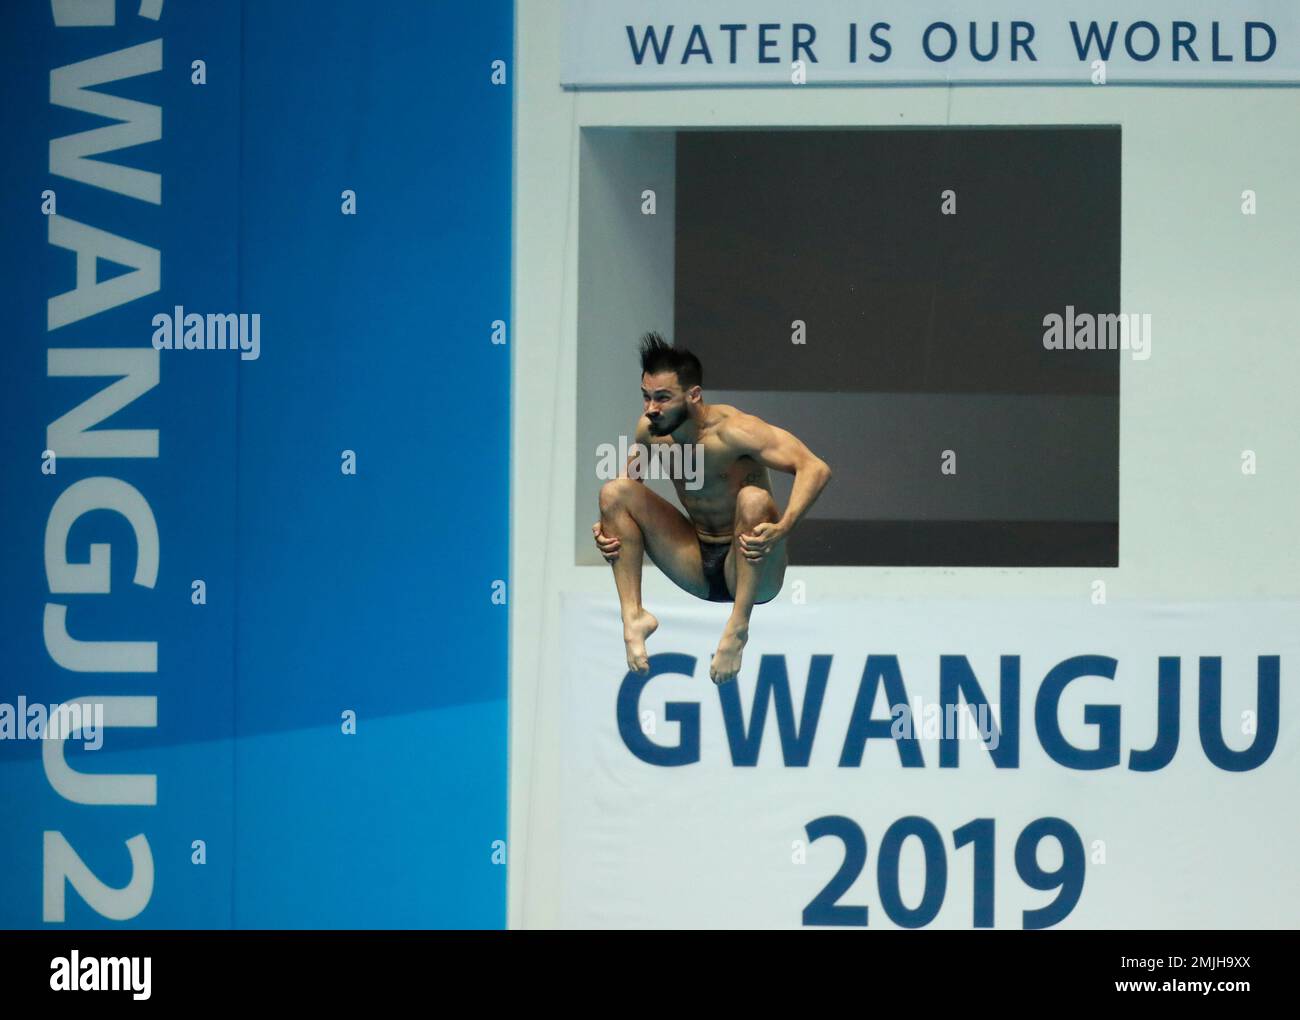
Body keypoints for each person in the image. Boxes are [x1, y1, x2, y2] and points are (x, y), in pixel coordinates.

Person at [593, 332, 833, 684]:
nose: (651, 409)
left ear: (693, 396)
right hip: (695, 561)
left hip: (753, 566)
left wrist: (783, 528)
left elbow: (815, 468)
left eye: (662, 398)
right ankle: (634, 618)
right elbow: (629, 485)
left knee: (753, 499)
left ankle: (737, 627)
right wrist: (608, 526)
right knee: (614, 492)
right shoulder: (651, 431)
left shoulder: (735, 432)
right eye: (646, 397)